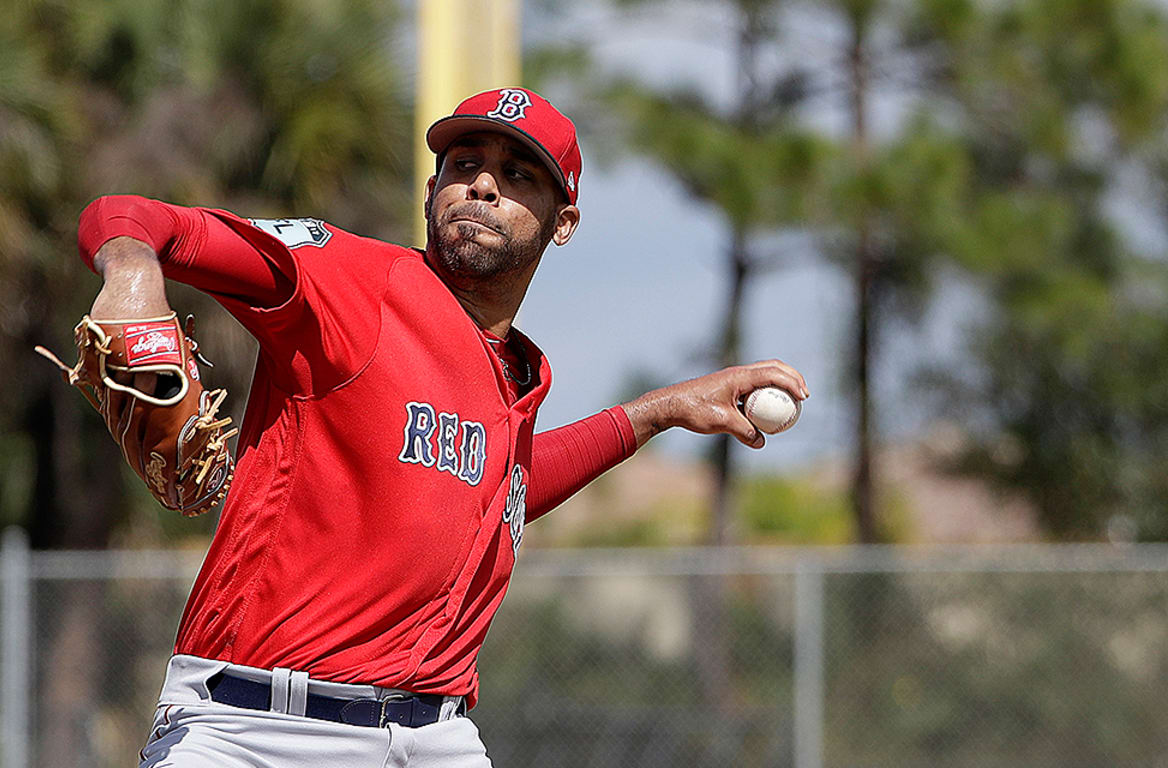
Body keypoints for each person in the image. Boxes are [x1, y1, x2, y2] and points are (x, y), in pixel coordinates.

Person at [75, 87, 809, 768]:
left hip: (433, 737)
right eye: (465, 164)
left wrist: (655, 412)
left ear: (564, 224)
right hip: (254, 728)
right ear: (431, 191)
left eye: (519, 174)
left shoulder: (517, 375)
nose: (483, 185)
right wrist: (133, 268)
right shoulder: (350, 281)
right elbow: (129, 216)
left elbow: (502, 486)